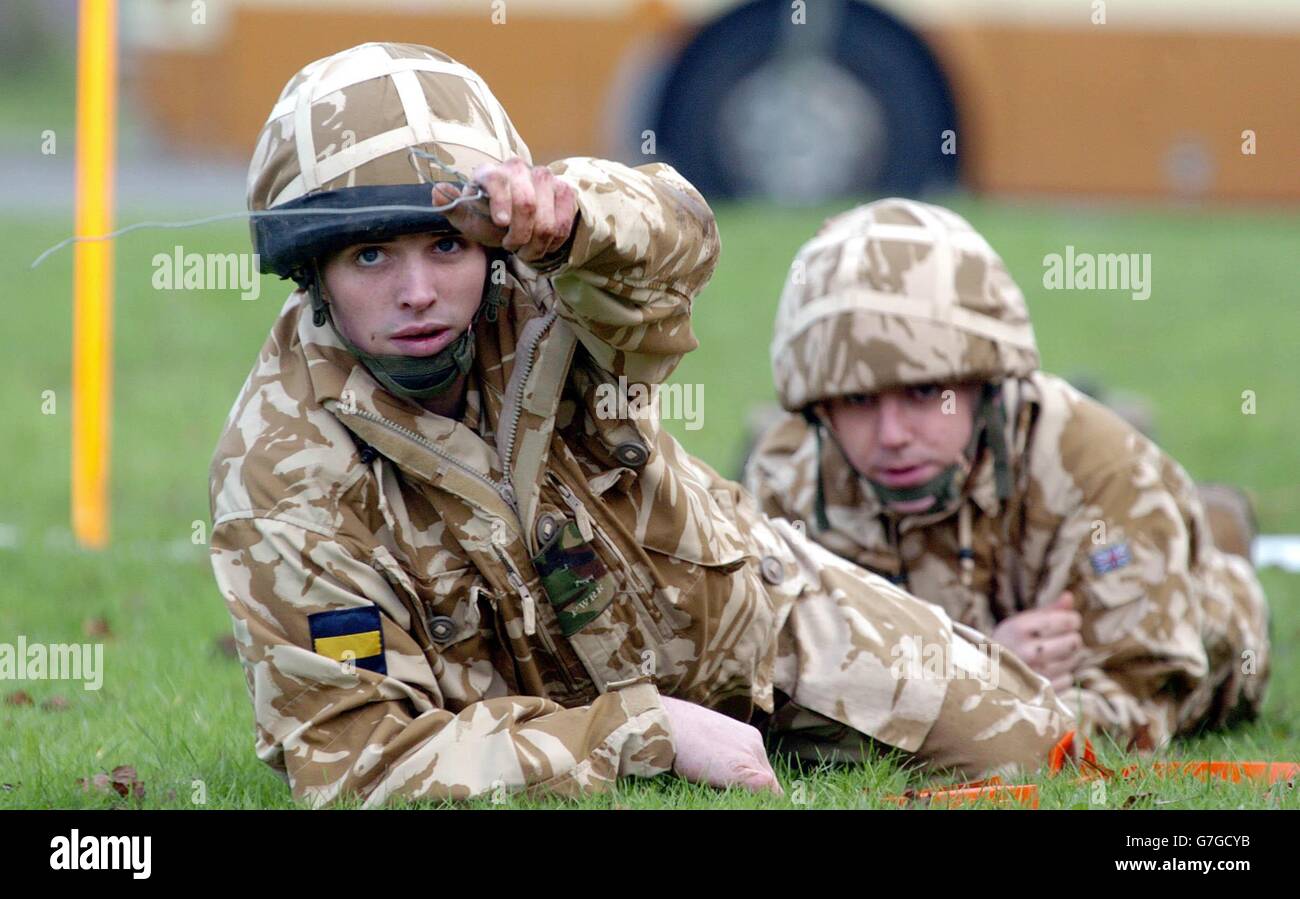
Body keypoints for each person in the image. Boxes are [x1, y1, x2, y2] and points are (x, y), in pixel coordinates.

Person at [208, 43, 1070, 808]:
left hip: (746, 621)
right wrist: (639, 733)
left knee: (1038, 742)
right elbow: (358, 763)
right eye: (371, 256)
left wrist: (573, 220)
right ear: (310, 271)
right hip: (546, 721)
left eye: (446, 246)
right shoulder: (282, 471)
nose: (419, 292)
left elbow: (680, 237)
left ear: (493, 243)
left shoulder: (549, 285)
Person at [745, 198, 1271, 752]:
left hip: (1192, 612)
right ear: (819, 408)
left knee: (1206, 583)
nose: (892, 433)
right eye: (857, 400)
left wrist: (944, 695)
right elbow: (764, 690)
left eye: (925, 393)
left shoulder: (1107, 476)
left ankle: (1212, 533)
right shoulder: (790, 476)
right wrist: (979, 672)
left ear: (987, 382)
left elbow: (1128, 712)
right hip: (989, 634)